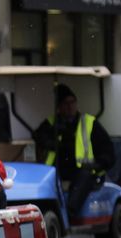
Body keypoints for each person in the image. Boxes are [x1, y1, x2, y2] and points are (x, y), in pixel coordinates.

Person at [32, 83, 115, 219]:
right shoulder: (52, 123)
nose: (70, 107)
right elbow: (38, 136)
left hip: (85, 170)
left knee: (82, 180)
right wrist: (52, 142)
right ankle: (42, 213)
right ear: (59, 107)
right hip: (57, 169)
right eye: (65, 103)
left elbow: (108, 152)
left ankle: (69, 214)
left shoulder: (89, 122)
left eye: (72, 102)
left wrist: (98, 164)